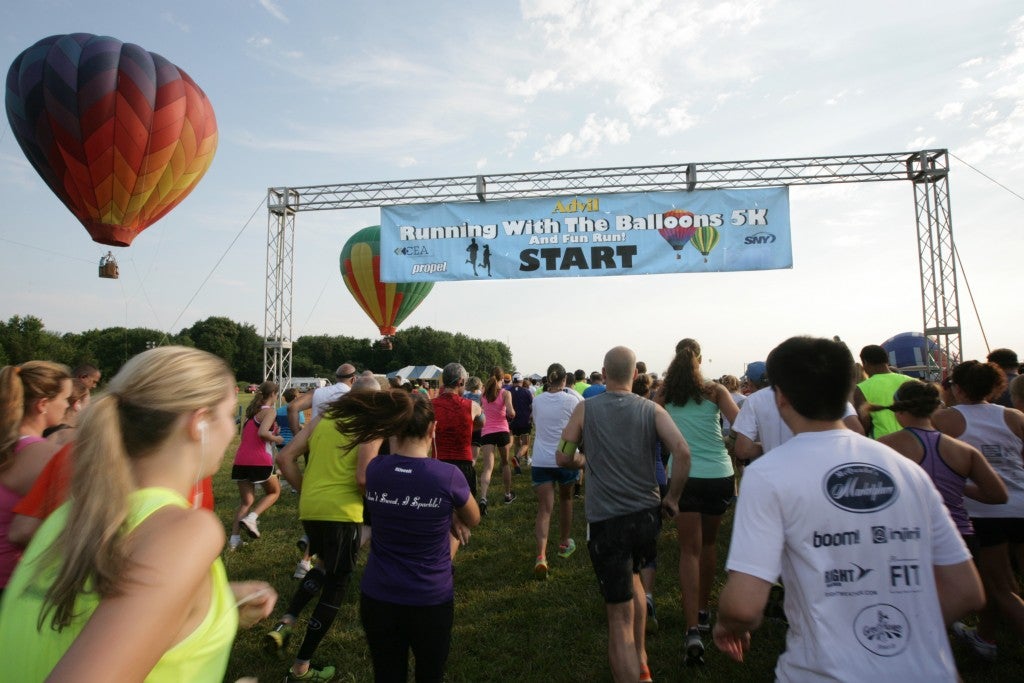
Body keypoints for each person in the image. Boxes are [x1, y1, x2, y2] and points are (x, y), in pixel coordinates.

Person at [713, 336, 983, 680]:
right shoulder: (907, 470)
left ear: (781, 396)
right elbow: (966, 590)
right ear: (849, 393)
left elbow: (743, 606)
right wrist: (909, 633)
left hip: (824, 671)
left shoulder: (768, 474)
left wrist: (728, 625)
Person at [0, 347, 277, 681]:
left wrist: (216, 604)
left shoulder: (70, 515)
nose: (232, 430)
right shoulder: (184, 531)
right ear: (199, 422)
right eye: (229, 415)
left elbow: (95, 608)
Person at [559, 346, 692, 683]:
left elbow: (563, 455)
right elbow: (682, 452)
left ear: (604, 374)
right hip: (647, 517)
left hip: (607, 523)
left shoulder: (585, 409)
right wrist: (673, 498)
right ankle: (641, 660)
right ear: (635, 374)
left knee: (617, 617)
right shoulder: (652, 409)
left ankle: (634, 668)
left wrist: (580, 460)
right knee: (635, 579)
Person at [328, 389, 481, 682]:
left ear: (392, 429)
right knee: (430, 675)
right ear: (433, 429)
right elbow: (473, 518)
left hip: (379, 596)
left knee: (387, 675)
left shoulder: (376, 470)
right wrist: (449, 512)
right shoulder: (448, 476)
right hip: (430, 598)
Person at [269, 380, 384, 682]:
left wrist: (306, 491)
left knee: (322, 565)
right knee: (336, 585)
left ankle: (286, 621)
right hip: (342, 513)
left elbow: (284, 458)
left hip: (311, 509)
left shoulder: (323, 416)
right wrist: (380, 504)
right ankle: (301, 668)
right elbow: (363, 478)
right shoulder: (369, 423)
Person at [932, 360, 1024, 661]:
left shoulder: (945, 419)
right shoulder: (1013, 416)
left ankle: (988, 638)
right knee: (1002, 583)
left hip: (983, 511)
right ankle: (986, 636)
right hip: (1020, 506)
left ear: (957, 388)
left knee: (1000, 587)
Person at [656, 338, 739, 663]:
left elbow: (650, 420)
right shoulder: (715, 390)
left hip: (683, 474)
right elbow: (740, 423)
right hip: (719, 473)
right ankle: (704, 610)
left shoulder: (665, 392)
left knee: (688, 550)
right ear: (700, 360)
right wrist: (728, 441)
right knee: (708, 544)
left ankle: (692, 629)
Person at [878, 379, 1007, 543]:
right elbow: (998, 496)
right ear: (935, 408)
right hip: (958, 534)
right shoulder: (964, 450)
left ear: (898, 410)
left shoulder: (883, 446)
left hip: (908, 535)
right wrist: (957, 485)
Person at [0, 361, 72, 596]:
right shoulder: (47, 456)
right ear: (42, 404)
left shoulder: (8, 446)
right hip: (10, 582)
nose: (68, 406)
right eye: (65, 399)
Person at [530, 363, 582, 579]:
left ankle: (541, 556)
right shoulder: (573, 400)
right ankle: (564, 543)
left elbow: (536, 422)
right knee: (566, 500)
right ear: (565, 380)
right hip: (565, 458)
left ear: (548, 379)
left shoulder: (537, 400)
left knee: (544, 509)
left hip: (541, 459)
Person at [432, 362, 484, 548]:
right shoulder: (472, 406)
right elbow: (481, 423)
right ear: (461, 381)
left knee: (439, 512)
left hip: (437, 465)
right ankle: (448, 553)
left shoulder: (429, 405)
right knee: (464, 517)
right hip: (462, 466)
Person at [229, 381, 284, 551]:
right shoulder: (270, 411)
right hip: (260, 461)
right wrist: (276, 438)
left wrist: (272, 433)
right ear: (273, 394)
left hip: (241, 460)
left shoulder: (250, 413)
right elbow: (262, 433)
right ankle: (252, 518)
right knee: (274, 492)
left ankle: (234, 540)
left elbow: (249, 436)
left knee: (247, 501)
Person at [853, 344, 912, 438]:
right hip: (912, 440)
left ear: (865, 362)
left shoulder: (862, 388)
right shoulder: (911, 381)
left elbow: (864, 424)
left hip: (880, 441)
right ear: (887, 360)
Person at [478, 367, 516, 507]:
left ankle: (483, 497)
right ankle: (507, 495)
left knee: (488, 467)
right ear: (502, 378)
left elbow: (481, 410)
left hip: (487, 432)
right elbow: (511, 412)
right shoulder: (505, 393)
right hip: (502, 431)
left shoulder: (483, 394)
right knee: (505, 463)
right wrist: (512, 414)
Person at [288, 364, 357, 434]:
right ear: (353, 379)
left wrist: (297, 435)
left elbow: (292, 407)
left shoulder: (316, 392)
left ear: (336, 378)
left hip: (317, 438)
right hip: (345, 438)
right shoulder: (357, 396)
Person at [508, 372, 533, 471]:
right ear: (521, 381)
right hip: (525, 420)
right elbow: (532, 405)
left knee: (517, 443)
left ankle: (517, 466)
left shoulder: (508, 391)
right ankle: (517, 458)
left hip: (513, 421)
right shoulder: (527, 392)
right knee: (525, 444)